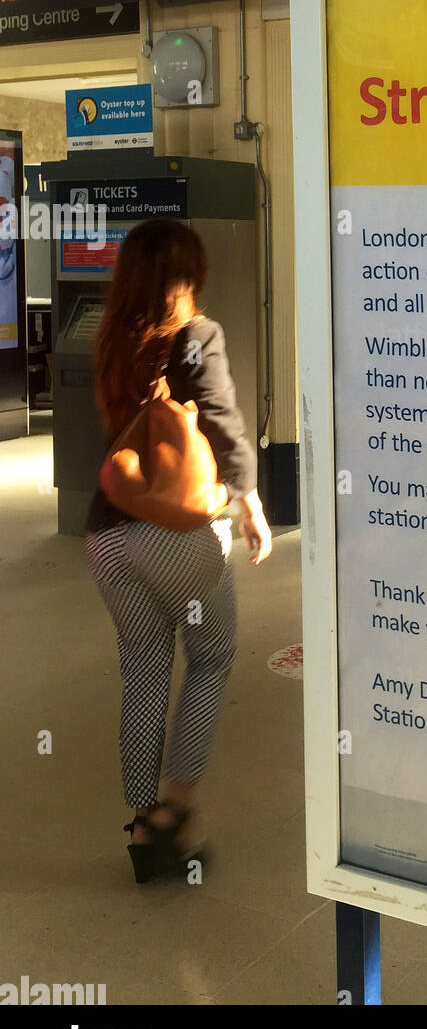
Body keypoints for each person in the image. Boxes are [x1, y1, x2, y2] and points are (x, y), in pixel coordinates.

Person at [85, 219, 272, 882]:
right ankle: (175, 812)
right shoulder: (195, 335)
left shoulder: (111, 341)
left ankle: (141, 822)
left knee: (141, 670)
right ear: (186, 275)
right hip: (175, 538)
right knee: (212, 658)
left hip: (108, 535)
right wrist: (248, 499)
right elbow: (221, 420)